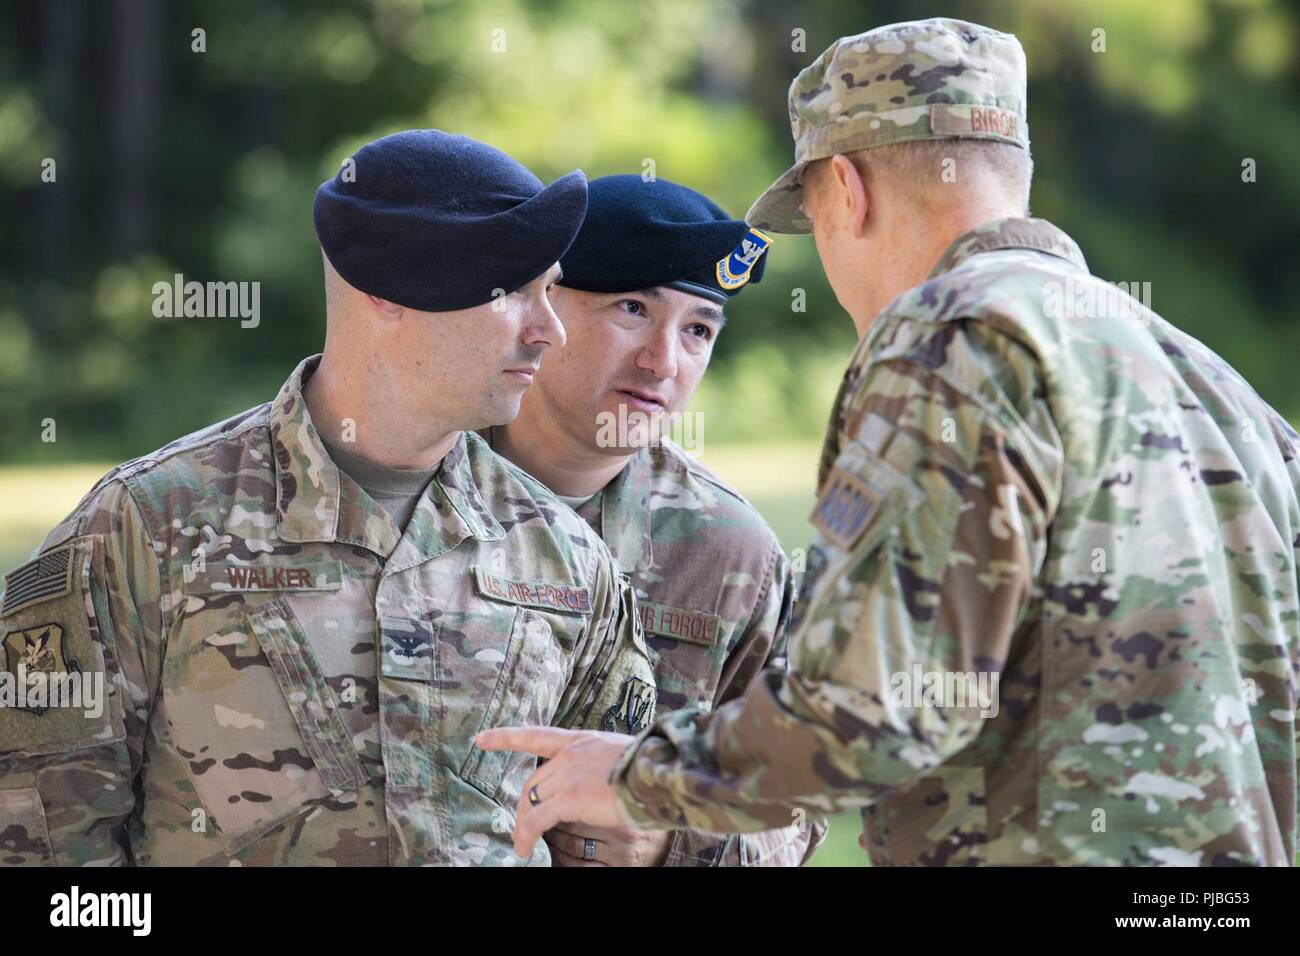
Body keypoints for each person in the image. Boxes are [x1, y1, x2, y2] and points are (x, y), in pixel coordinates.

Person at [477, 18, 1300, 866]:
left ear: (845, 189)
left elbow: (872, 709)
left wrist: (634, 780)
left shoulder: (949, 337)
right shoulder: (1219, 388)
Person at [0, 129, 656, 866]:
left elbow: (610, 833)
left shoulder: (564, 560)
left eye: (552, 289)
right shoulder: (144, 531)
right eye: (515, 293)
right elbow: (44, 855)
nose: (551, 330)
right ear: (387, 288)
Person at [487, 174, 825, 865]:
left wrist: (673, 839)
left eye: (697, 330)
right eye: (633, 309)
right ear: (542, 308)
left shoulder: (730, 553)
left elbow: (795, 798)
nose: (663, 361)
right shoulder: (420, 487)